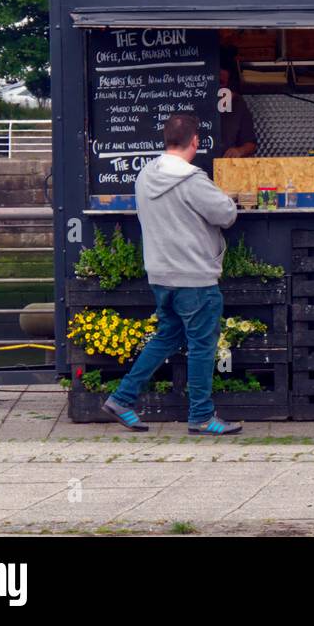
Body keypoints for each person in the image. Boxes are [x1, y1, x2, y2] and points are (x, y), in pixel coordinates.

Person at [103, 113, 242, 436]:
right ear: (195, 141)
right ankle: (202, 417)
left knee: (168, 336)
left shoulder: (145, 175)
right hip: (194, 276)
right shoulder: (193, 181)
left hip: (161, 274)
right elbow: (226, 215)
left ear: (165, 140)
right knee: (202, 346)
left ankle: (121, 398)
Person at [218, 49, 257, 159]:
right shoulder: (191, 101)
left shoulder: (236, 102)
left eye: (223, 83)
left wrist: (239, 151)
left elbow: (251, 144)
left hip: (226, 169)